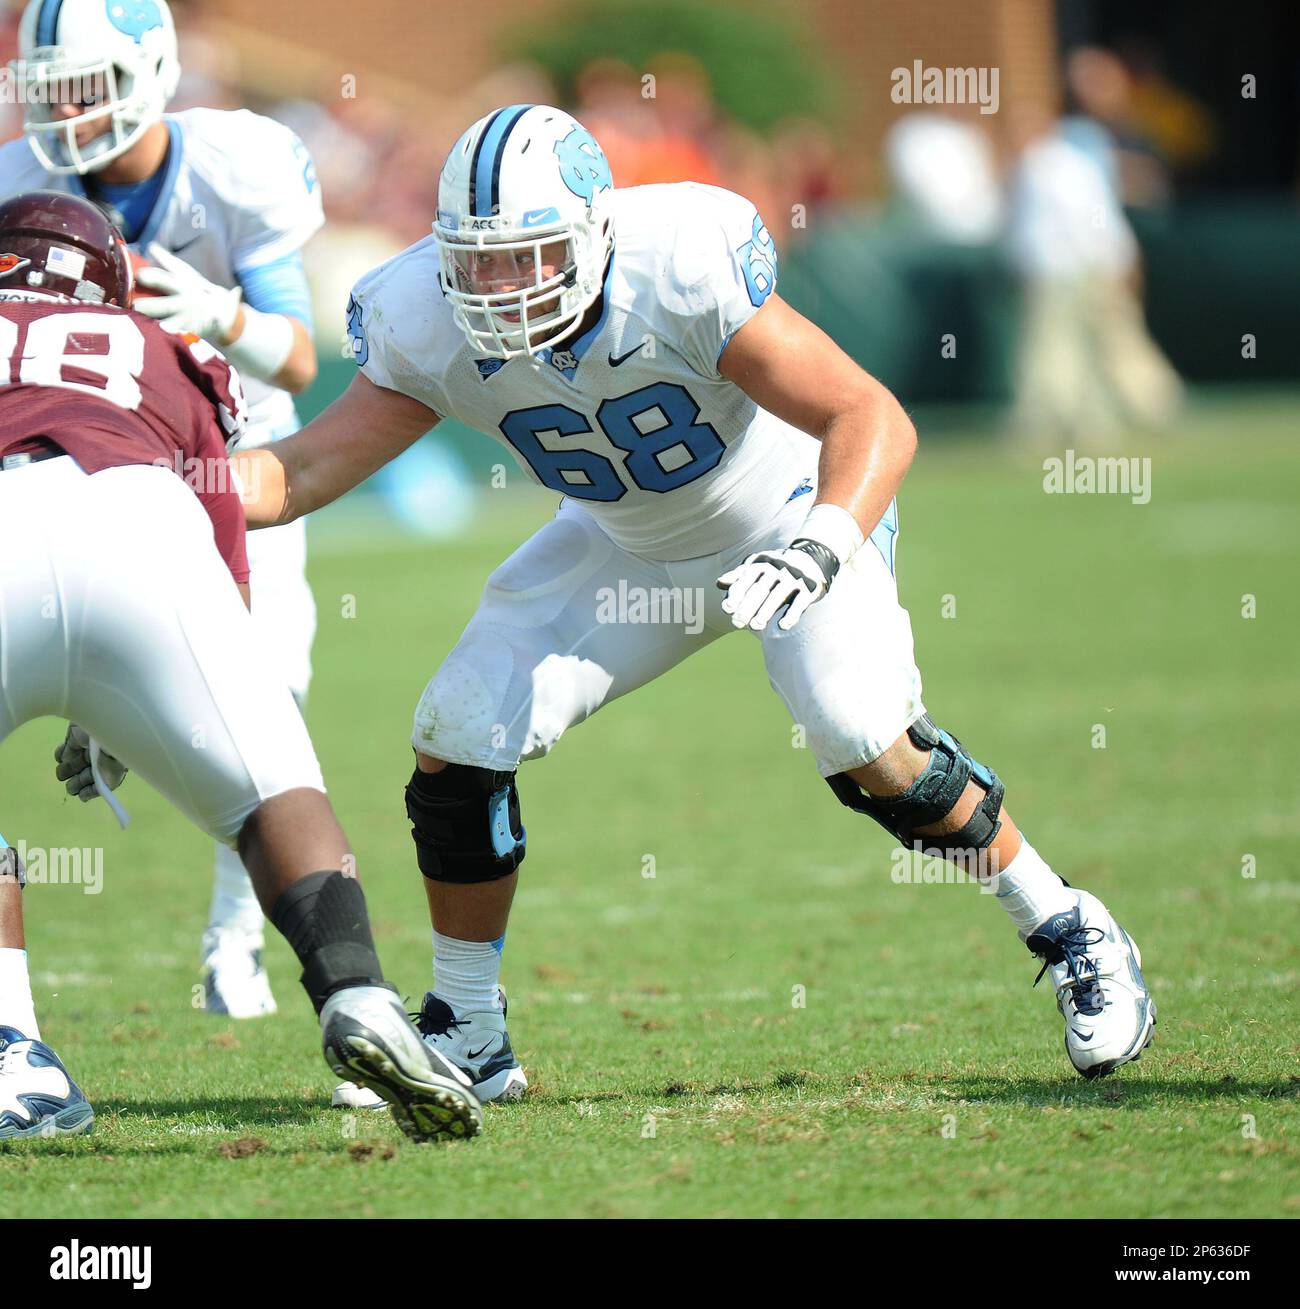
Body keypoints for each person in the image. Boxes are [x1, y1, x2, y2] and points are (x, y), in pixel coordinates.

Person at [234, 105, 1156, 1109]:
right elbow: (306, 469)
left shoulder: (676, 261)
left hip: (786, 515)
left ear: (594, 233)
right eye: (476, 264)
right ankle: (469, 1027)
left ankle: (1068, 923)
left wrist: (819, 545)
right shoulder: (421, 312)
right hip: (618, 541)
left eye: (528, 256)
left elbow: (868, 414)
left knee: (862, 736)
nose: (499, 288)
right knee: (459, 725)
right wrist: (164, 485)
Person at [0, 191, 481, 1143]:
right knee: (274, 795)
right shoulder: (163, 350)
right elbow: (221, 541)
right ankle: (357, 995)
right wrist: (135, 696)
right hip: (143, 527)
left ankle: (13, 1049)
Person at [2, 0, 322, 1016]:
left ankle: (238, 935)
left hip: (231, 456)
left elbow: (304, 360)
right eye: (49, 92)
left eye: (86, 86)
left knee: (276, 682)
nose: (67, 114)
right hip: (83, 468)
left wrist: (224, 316)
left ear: (152, 70)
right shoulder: (17, 181)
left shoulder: (237, 164)